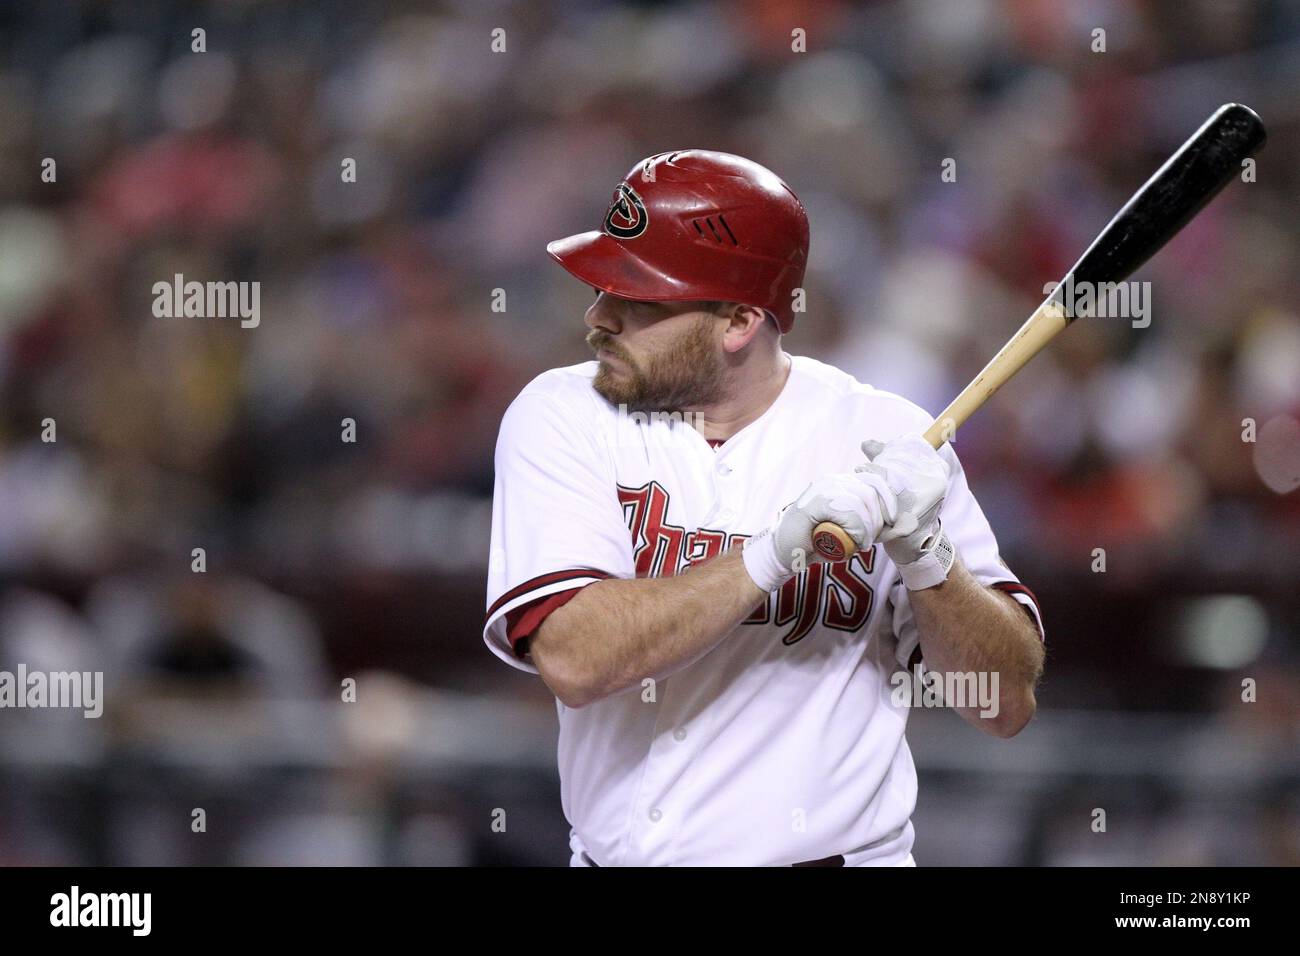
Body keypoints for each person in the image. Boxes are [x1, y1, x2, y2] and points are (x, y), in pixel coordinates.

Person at [483, 150, 1044, 866]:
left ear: (739, 321)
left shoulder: (883, 436)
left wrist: (926, 553)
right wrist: (776, 548)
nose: (599, 317)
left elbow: (1002, 705)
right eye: (603, 286)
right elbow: (576, 657)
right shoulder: (563, 413)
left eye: (639, 299)